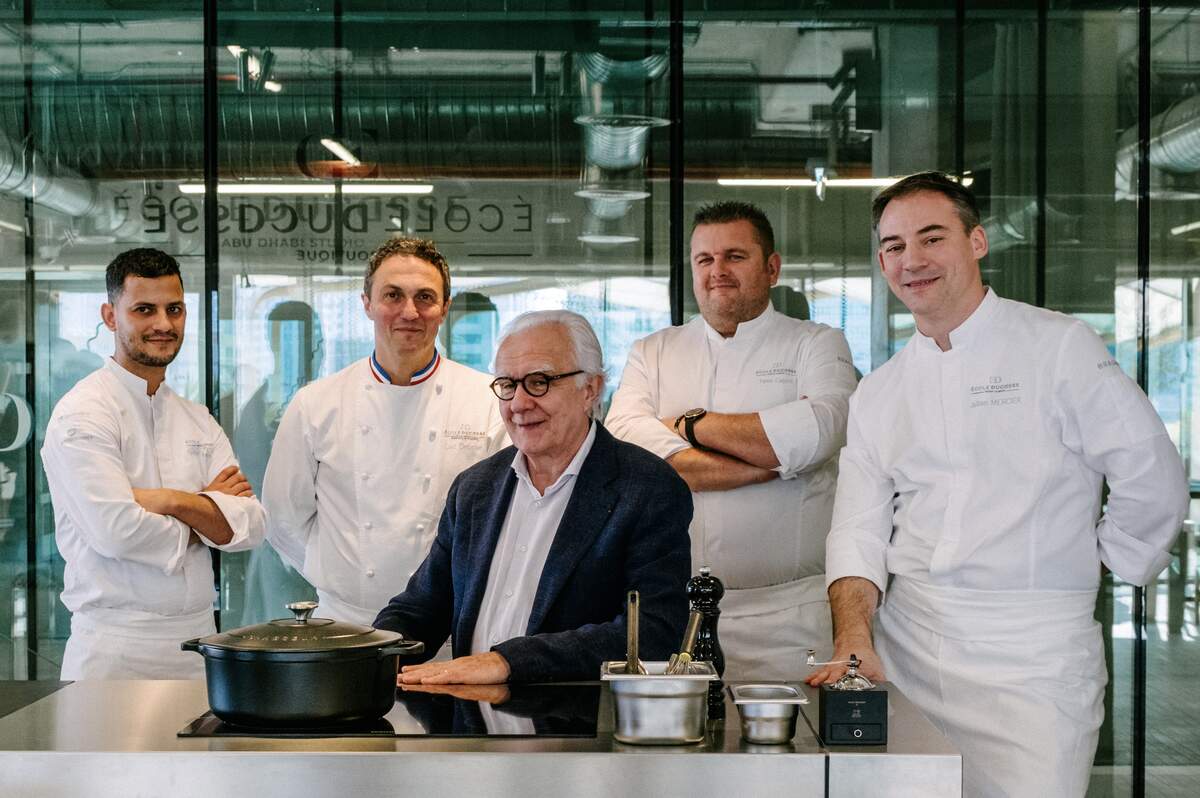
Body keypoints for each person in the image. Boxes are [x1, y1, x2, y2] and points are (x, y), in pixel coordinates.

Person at [807, 171, 1189, 797]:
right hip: (909, 646)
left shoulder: (1057, 345)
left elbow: (1152, 474)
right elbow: (858, 526)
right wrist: (854, 636)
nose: (913, 261)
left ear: (977, 241)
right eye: (895, 247)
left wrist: (1106, 556)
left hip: (1033, 658)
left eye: (932, 238)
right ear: (881, 262)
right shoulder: (880, 390)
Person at [606, 201, 857, 679]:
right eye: (705, 259)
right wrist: (770, 461)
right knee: (681, 750)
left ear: (772, 268)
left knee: (788, 749)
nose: (717, 270)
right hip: (672, 615)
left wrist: (692, 425)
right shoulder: (653, 352)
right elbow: (631, 455)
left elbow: (822, 429)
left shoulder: (817, 343)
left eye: (735, 256)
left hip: (789, 618)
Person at [374, 310, 692, 684]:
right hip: (474, 730)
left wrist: (508, 662)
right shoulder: (474, 488)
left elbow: (654, 633)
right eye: (507, 385)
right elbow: (423, 607)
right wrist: (374, 652)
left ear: (591, 388)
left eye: (539, 382)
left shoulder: (648, 489)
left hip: (577, 730)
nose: (519, 403)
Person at [41, 248, 265, 679]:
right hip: (114, 650)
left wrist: (169, 500)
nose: (163, 323)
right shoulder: (83, 414)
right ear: (110, 316)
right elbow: (118, 532)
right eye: (144, 310)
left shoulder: (196, 417)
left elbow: (251, 526)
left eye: (174, 309)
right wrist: (208, 513)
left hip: (199, 644)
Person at [263, 237, 507, 626]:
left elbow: (504, 518)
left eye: (425, 298)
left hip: (447, 628)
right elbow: (282, 517)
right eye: (393, 295)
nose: (409, 312)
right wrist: (339, 574)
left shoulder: (488, 401)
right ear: (367, 304)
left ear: (444, 308)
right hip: (345, 625)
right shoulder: (316, 403)